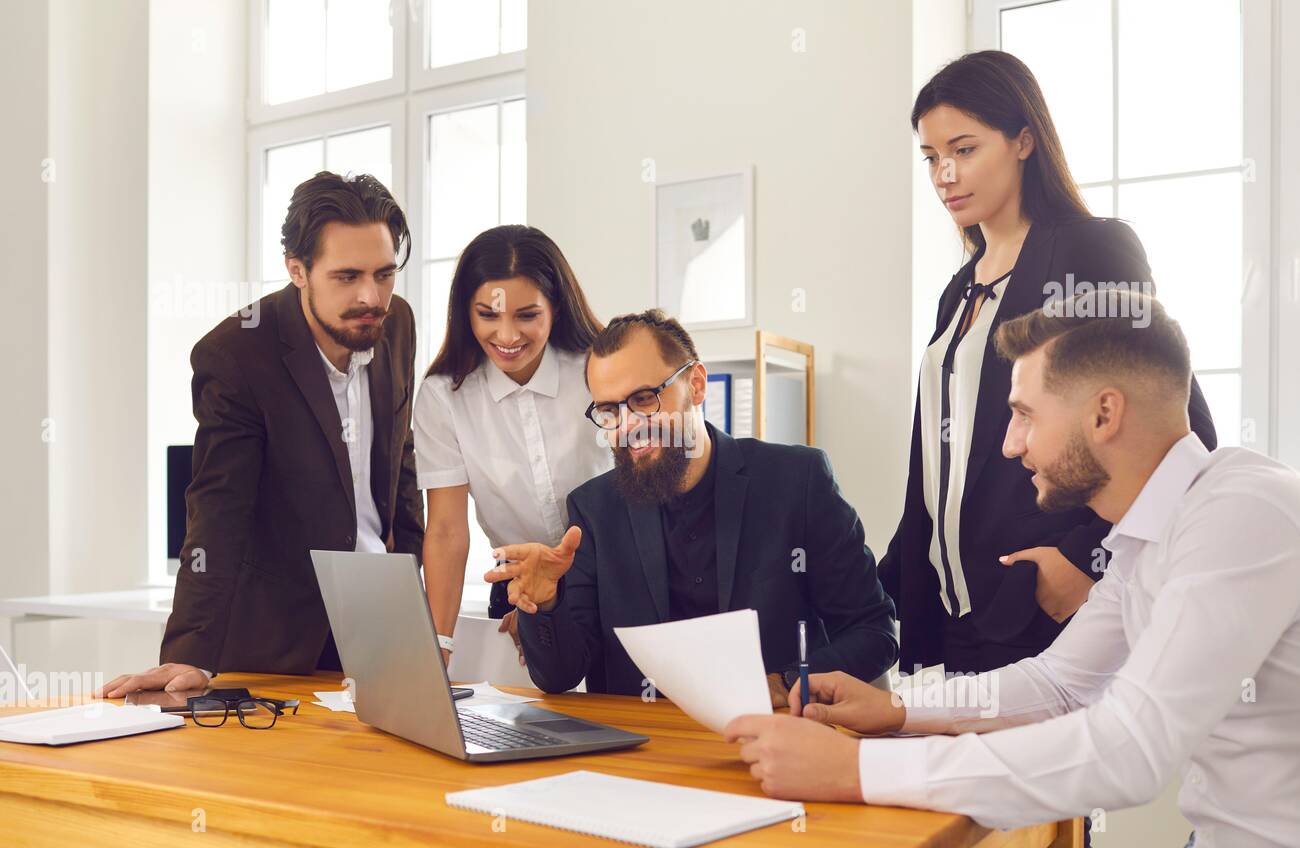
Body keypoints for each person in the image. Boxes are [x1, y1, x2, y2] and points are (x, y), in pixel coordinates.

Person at [725, 290, 1300, 848]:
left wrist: (854, 769)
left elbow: (1131, 750)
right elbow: (1061, 686)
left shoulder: (1242, 511)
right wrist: (899, 711)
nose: (1010, 444)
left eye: (1025, 414)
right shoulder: (1149, 532)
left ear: (1104, 414)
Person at [881, 50, 1217, 685]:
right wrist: (881, 586)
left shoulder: (1089, 250)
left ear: (1023, 141)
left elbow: (1181, 431)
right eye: (931, 158)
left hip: (1038, 600)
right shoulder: (959, 290)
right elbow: (940, 464)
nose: (945, 174)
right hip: (947, 610)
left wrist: (1086, 558)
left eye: (965, 149)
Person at [98, 172, 423, 696]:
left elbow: (401, 458)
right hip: (277, 634)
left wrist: (413, 584)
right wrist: (189, 650)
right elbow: (218, 505)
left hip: (379, 621)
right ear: (298, 270)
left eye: (384, 274)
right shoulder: (237, 354)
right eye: (346, 277)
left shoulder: (396, 324)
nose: (371, 296)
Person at [485, 310, 898, 703]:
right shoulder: (594, 511)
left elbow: (875, 631)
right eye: (609, 410)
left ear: (696, 384)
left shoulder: (796, 480)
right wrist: (547, 603)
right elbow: (560, 676)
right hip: (643, 751)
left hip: (776, 737)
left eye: (644, 399)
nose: (627, 425)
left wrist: (786, 682)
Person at [414, 225, 610, 662]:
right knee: (525, 721)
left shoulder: (596, 371)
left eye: (527, 315)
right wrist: (438, 648)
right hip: (518, 590)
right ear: (465, 311)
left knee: (630, 719)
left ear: (555, 308)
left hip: (616, 578)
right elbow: (446, 530)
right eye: (488, 314)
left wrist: (556, 594)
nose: (506, 336)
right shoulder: (443, 395)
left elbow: (644, 494)